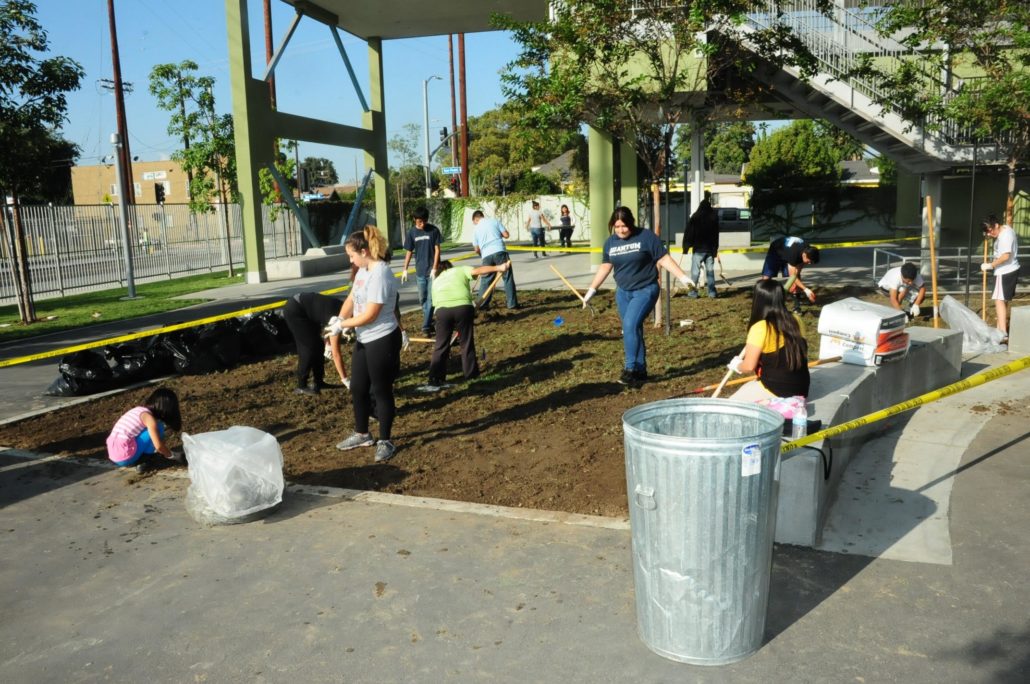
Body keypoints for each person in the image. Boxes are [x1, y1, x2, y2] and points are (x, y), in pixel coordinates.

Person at [582, 207, 696, 386]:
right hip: (623, 292)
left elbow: (663, 258)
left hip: (646, 289)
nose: (620, 230)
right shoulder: (610, 243)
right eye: (617, 226)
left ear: (631, 223)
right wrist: (592, 290)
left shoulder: (646, 237)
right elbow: (605, 266)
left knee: (629, 325)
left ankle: (629, 369)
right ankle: (641, 370)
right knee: (633, 329)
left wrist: (682, 276)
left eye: (624, 226)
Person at [332, 226, 402, 463]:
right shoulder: (363, 270)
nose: (350, 260)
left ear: (363, 251)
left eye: (352, 255)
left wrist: (344, 326)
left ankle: (385, 440)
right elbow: (352, 298)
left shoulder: (380, 273)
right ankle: (362, 433)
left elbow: (372, 314)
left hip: (382, 338)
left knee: (381, 391)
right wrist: (340, 318)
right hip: (364, 338)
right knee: (358, 387)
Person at [726, 280, 810, 419]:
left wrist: (737, 365)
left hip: (777, 390)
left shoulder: (760, 327)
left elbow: (749, 366)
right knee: (747, 388)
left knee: (728, 408)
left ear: (758, 299)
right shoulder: (796, 319)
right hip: (801, 388)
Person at [425, 259, 512, 389]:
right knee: (466, 342)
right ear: (450, 266)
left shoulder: (436, 280)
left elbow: (435, 303)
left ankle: (434, 378)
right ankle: (471, 374)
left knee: (441, 345)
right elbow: (479, 271)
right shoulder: (459, 269)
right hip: (463, 308)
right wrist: (499, 267)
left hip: (442, 312)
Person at [283, 292, 348, 395]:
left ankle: (319, 382)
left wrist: (327, 344)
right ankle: (301, 386)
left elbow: (325, 328)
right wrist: (345, 380)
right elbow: (336, 353)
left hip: (309, 312)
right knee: (309, 347)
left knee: (319, 346)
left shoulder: (342, 309)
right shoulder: (335, 316)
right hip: (295, 310)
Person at [106, 387, 184, 473]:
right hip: (126, 457)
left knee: (150, 431)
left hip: (113, 454)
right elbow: (159, 447)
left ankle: (136, 458)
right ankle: (143, 461)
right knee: (159, 428)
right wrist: (172, 456)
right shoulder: (150, 419)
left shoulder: (138, 410)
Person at [401, 206, 442, 335]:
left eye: (424, 221)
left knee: (431, 299)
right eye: (419, 222)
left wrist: (435, 268)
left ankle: (425, 326)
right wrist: (405, 269)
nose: (422, 224)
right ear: (414, 220)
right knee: (422, 299)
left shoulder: (434, 230)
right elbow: (409, 251)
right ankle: (429, 322)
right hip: (420, 271)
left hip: (431, 271)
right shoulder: (412, 233)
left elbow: (437, 250)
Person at [981, 214, 1021, 342]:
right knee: (1003, 301)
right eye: (986, 232)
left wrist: (990, 265)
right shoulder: (1006, 230)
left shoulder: (1005, 236)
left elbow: (1005, 256)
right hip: (1010, 270)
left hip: (1004, 271)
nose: (988, 234)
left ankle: (1002, 333)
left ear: (996, 225)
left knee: (998, 300)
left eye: (990, 231)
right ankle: (1000, 329)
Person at [471, 209, 519, 310]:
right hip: (499, 251)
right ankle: (512, 304)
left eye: (473, 222)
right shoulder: (494, 221)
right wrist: (498, 234)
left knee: (486, 280)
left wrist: (482, 255)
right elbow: (506, 235)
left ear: (476, 219)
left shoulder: (476, 229)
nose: (474, 224)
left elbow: (476, 249)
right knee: (507, 277)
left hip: (486, 255)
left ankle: (482, 304)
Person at [761, 236, 820, 312]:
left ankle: (797, 306)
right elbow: (792, 276)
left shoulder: (808, 250)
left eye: (811, 262)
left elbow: (797, 271)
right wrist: (806, 290)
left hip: (788, 251)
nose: (809, 263)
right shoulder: (794, 254)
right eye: (809, 261)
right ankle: (763, 300)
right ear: (804, 255)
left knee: (796, 278)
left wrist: (795, 282)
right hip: (776, 251)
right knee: (766, 278)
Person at [682, 191, 720, 299]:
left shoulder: (696, 216)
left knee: (695, 272)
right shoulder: (714, 217)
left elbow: (689, 232)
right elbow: (716, 235)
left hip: (698, 249)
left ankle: (693, 293)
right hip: (709, 250)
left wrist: (686, 247)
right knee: (710, 272)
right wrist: (715, 250)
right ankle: (712, 293)